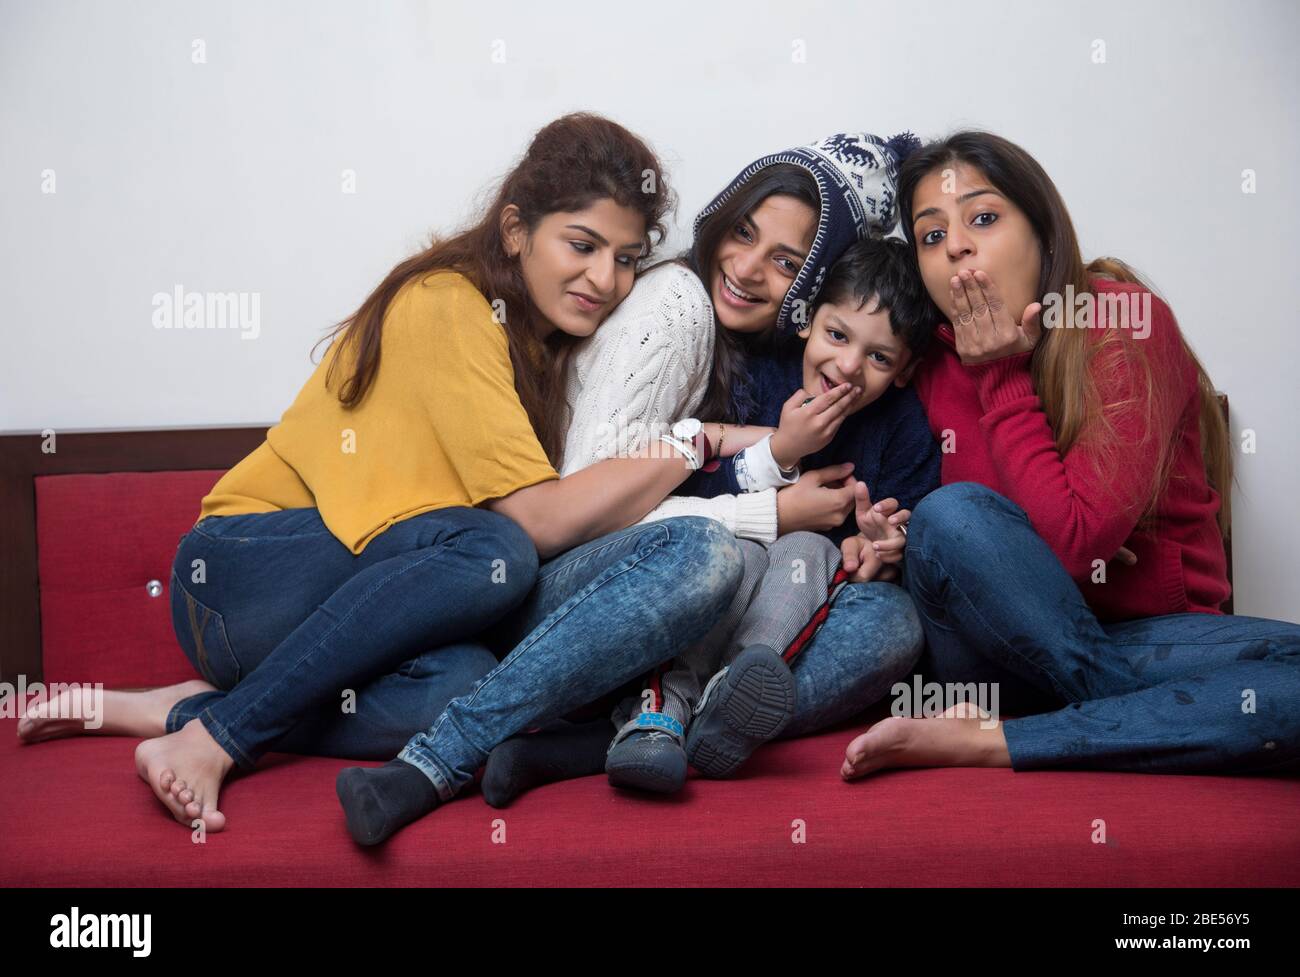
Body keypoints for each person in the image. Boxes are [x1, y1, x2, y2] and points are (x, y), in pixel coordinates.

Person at [19, 112, 747, 834]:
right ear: (517, 228)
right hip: (238, 576)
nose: (605, 278)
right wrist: (692, 444)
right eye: (582, 245)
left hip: (333, 612)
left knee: (463, 685)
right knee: (496, 549)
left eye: (625, 258)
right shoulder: (447, 306)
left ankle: (181, 709)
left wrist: (740, 450)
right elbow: (539, 521)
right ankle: (218, 736)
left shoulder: (540, 346)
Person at [839, 130, 1300, 780]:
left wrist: (1002, 376)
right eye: (931, 235)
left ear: (1045, 233)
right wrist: (894, 545)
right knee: (953, 513)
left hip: (1146, 641)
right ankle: (1150, 725)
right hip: (994, 659)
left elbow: (1066, 547)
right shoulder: (925, 363)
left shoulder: (1125, 325)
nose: (958, 246)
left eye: (984, 217)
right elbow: (1033, 549)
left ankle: (999, 741)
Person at [604, 235, 940, 793]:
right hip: (721, 572)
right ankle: (660, 710)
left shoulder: (904, 427)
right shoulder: (757, 378)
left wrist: (880, 548)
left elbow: (905, 523)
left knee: (847, 580)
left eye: (879, 357)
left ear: (905, 371)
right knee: (751, 552)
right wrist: (781, 451)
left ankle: (712, 710)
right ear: (807, 321)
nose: (849, 366)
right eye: (837, 335)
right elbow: (686, 497)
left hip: (810, 608)